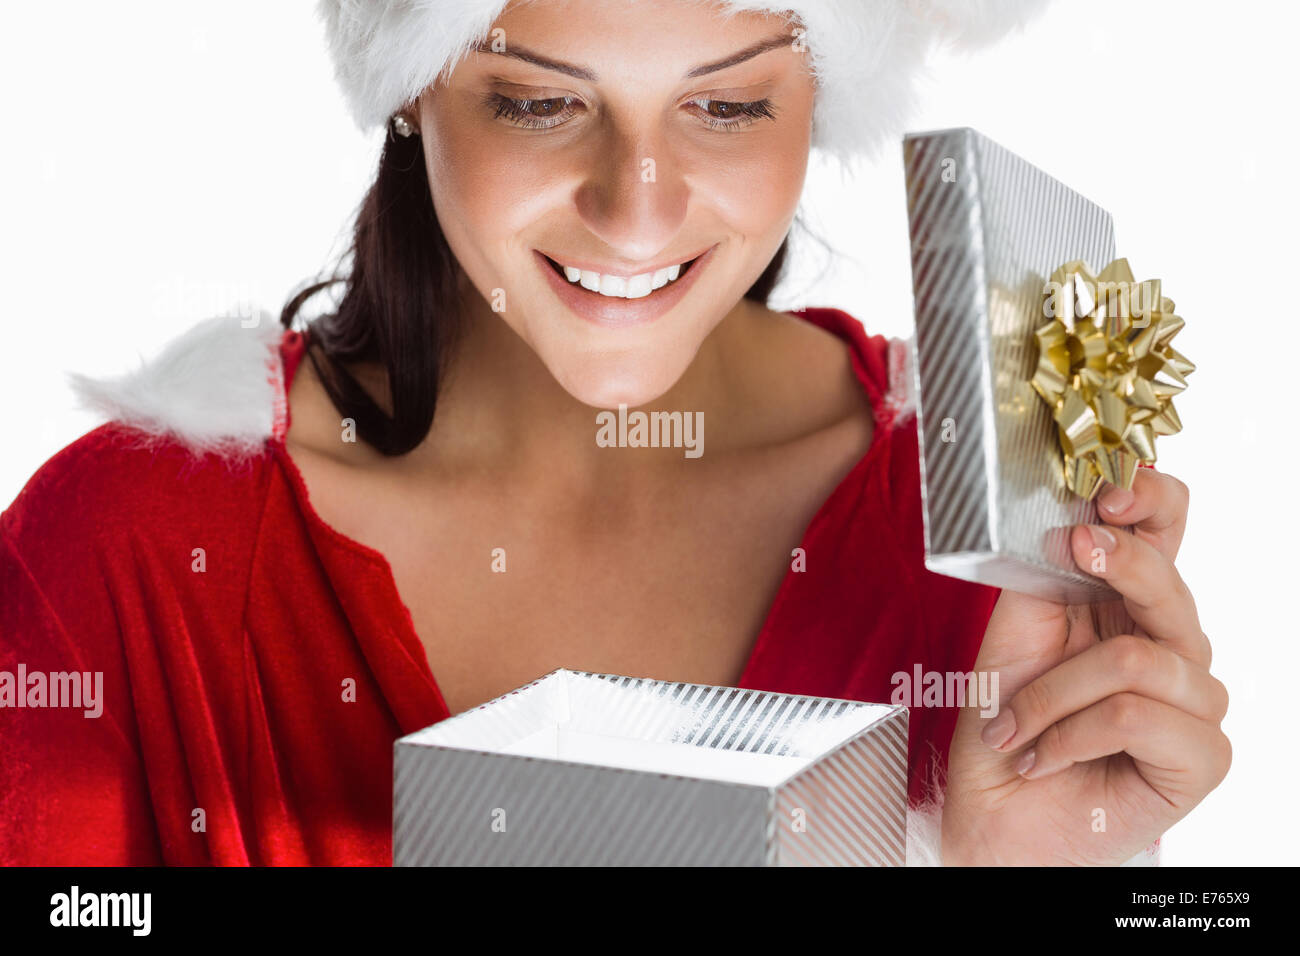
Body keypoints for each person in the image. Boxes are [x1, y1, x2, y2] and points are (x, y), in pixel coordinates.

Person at [0, 0, 1228, 866]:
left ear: (815, 99)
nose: (634, 207)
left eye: (731, 101)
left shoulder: (985, 572)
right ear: (413, 90)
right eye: (538, 101)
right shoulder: (131, 551)